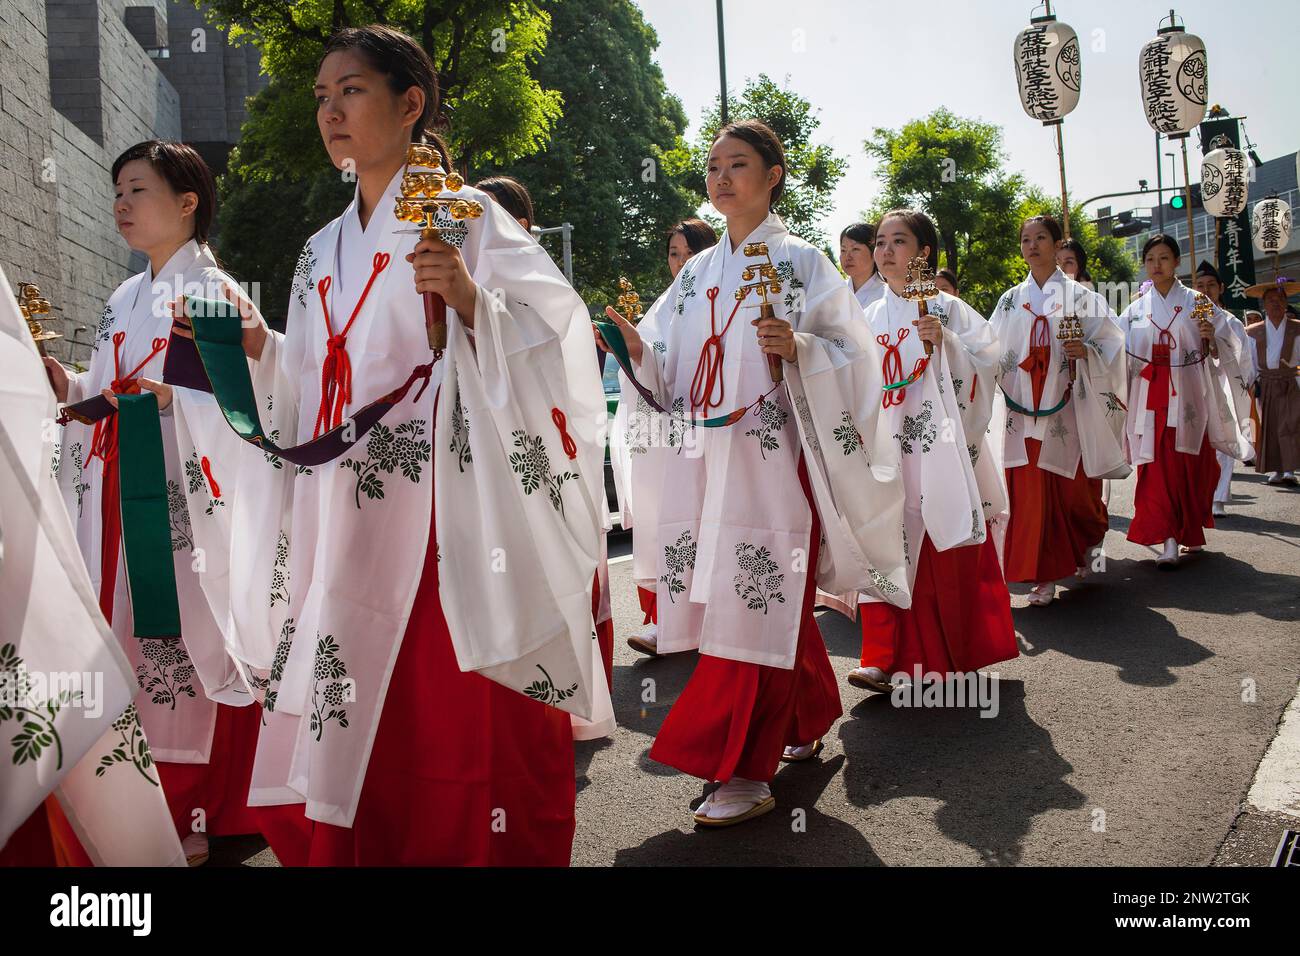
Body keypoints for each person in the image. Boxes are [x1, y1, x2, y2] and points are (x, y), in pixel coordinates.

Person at [163, 24, 612, 865]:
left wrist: (474, 300)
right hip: (341, 506)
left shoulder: (462, 213)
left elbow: (559, 336)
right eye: (322, 97)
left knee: (447, 710)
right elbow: (305, 381)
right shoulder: (318, 249)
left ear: (411, 104)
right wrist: (254, 343)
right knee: (354, 696)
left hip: (445, 503)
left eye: (353, 90)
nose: (331, 110)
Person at [595, 119, 907, 826]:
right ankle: (806, 712)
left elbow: (856, 359)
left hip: (774, 465)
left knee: (751, 605)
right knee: (753, 606)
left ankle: (741, 768)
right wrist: (635, 345)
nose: (721, 177)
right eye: (712, 166)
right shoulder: (698, 273)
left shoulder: (802, 262)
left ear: (774, 174)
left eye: (738, 164)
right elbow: (666, 361)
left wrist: (798, 346)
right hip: (708, 466)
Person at [41, 140, 260, 866]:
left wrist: (173, 398)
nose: (122, 205)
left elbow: (247, 406)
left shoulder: (216, 292)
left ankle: (196, 807)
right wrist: (69, 387)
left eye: (137, 189)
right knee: (128, 648)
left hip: (181, 501)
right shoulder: (121, 298)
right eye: (118, 193)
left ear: (188, 200)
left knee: (183, 647)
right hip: (116, 492)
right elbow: (104, 385)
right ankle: (132, 805)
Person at [848, 208, 1017, 691]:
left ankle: (943, 657)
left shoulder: (949, 309)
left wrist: (949, 346)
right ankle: (881, 656)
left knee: (936, 537)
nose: (884, 251)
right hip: (882, 447)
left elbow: (990, 363)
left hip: (936, 446)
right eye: (880, 242)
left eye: (897, 242)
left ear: (923, 252)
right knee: (882, 542)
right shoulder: (864, 315)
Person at [477, 173, 618, 695]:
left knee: (560, 556)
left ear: (522, 225)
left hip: (542, 440)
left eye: (488, 214)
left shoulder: (541, 284)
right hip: (486, 445)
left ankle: (578, 684)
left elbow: (558, 357)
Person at [991, 215, 1127, 606]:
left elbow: (1113, 344)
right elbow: (989, 347)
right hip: (1021, 406)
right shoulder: (1010, 299)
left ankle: (1089, 535)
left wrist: (1087, 351)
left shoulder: (1082, 297)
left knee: (1072, 493)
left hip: (1067, 405)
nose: (1032, 245)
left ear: (1055, 244)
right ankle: (1044, 576)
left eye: (1040, 238)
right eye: (1025, 239)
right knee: (1030, 492)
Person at [617, 217, 720, 657]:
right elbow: (653, 366)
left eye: (687, 253)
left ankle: (715, 618)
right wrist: (630, 350)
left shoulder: (714, 295)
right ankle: (667, 620)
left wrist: (643, 354)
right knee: (668, 522)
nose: (679, 263)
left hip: (713, 430)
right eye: (673, 254)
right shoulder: (664, 303)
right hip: (666, 434)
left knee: (709, 519)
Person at [1118, 235, 1251, 568]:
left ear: (1177, 262)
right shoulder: (1135, 309)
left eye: (1164, 258)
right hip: (1149, 398)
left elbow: (1234, 340)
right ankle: (1168, 538)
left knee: (1188, 466)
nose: (1157, 265)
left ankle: (1188, 528)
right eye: (1150, 259)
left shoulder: (1198, 302)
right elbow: (1116, 351)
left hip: (1189, 396)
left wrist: (1213, 339)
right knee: (1156, 467)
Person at [1195, 261, 1257, 515]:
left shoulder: (1231, 323)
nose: (1206, 291)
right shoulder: (1186, 317)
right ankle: (1201, 495)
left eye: (1211, 285)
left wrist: (1216, 345)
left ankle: (1218, 497)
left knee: (1223, 439)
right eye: (1200, 286)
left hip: (1223, 385)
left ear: (1221, 288)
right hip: (1195, 387)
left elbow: (1243, 360)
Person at [1243, 276, 1300, 486]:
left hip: (1290, 382)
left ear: (1286, 303)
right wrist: (1250, 384)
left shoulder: (1297, 328)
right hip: (1264, 383)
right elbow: (1249, 362)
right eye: (1271, 300)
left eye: (1279, 299)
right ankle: (1275, 469)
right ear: (1264, 305)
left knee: (1290, 425)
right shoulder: (1253, 332)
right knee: (1270, 427)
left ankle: (1289, 469)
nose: (1275, 304)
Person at [840, 221, 885, 312]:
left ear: (874, 253)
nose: (847, 256)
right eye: (843, 250)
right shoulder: (835, 290)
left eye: (855, 249)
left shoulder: (886, 293)